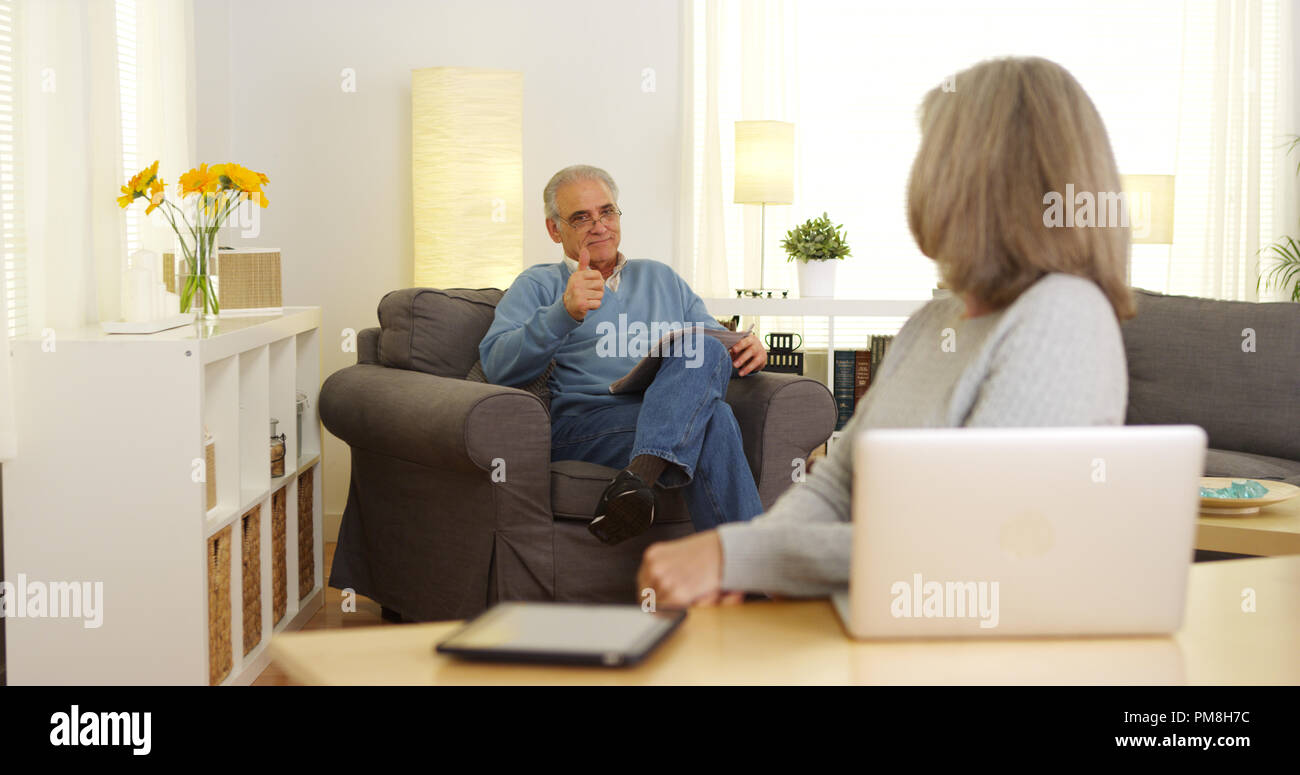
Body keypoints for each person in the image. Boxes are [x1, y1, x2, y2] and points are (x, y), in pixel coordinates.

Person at [637, 56, 1137, 606]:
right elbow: (836, 484)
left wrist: (736, 557)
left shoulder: (1063, 316)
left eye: (934, 150)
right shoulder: (934, 321)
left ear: (986, 175)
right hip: (876, 619)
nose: (920, 172)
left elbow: (969, 539)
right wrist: (741, 564)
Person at [480, 165, 768, 544]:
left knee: (705, 358)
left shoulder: (661, 278)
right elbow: (498, 366)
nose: (599, 226)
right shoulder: (539, 284)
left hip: (658, 412)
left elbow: (711, 352)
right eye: (581, 217)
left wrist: (747, 349)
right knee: (715, 418)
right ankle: (756, 578)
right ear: (554, 229)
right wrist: (562, 313)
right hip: (587, 423)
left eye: (607, 211)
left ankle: (636, 482)